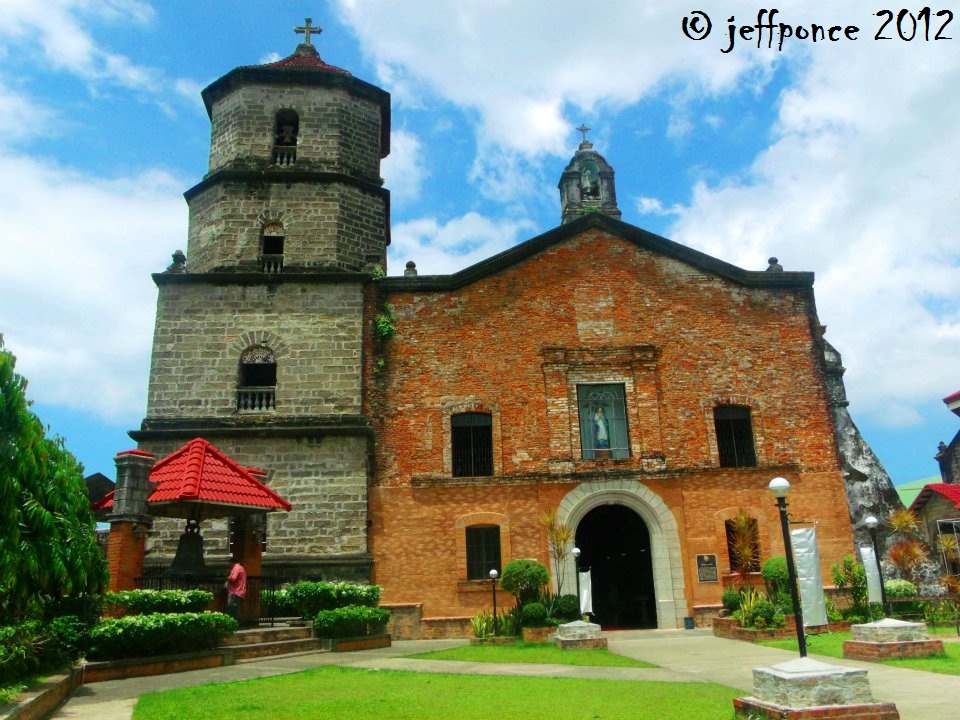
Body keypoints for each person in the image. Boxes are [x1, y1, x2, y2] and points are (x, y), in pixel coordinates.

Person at [225, 557, 247, 622]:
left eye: (229, 564)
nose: (229, 565)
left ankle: (233, 622)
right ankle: (236, 622)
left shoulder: (236, 568)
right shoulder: (242, 568)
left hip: (235, 591)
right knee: (236, 608)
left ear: (232, 563)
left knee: (231, 608)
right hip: (240, 591)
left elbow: (233, 578)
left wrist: (227, 577)